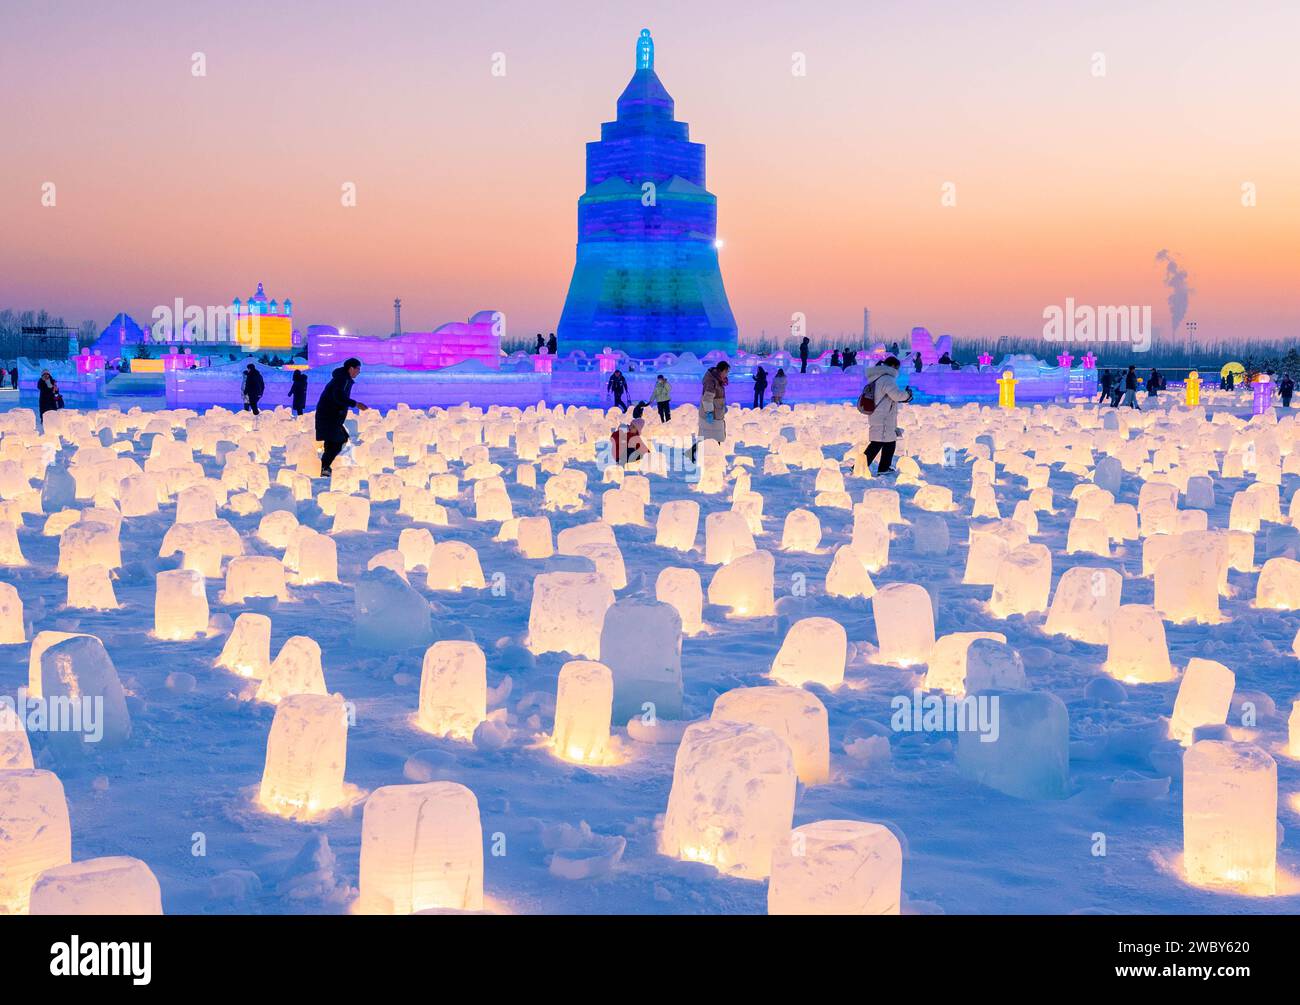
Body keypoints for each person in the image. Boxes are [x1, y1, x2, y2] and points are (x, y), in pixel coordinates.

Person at [858, 356, 912, 476]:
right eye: (897, 368)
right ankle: (859, 467)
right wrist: (908, 394)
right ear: (893, 366)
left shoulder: (877, 377)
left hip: (879, 414)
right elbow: (896, 395)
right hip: (884, 416)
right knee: (878, 443)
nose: (898, 371)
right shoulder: (887, 378)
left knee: (888, 442)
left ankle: (883, 468)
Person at [315, 357, 368, 477]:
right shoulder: (342, 379)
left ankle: (325, 467)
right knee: (339, 439)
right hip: (329, 416)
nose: (359, 372)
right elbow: (338, 397)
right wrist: (355, 404)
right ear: (351, 368)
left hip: (330, 415)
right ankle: (325, 466)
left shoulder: (343, 378)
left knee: (334, 440)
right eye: (358, 369)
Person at [692, 360, 730, 462]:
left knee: (711, 436)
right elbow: (707, 398)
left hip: (716, 412)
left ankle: (696, 453)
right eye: (726, 372)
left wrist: (722, 406)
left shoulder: (717, 379)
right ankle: (712, 458)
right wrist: (709, 412)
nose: (727, 374)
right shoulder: (712, 381)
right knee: (712, 437)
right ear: (722, 370)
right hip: (711, 414)